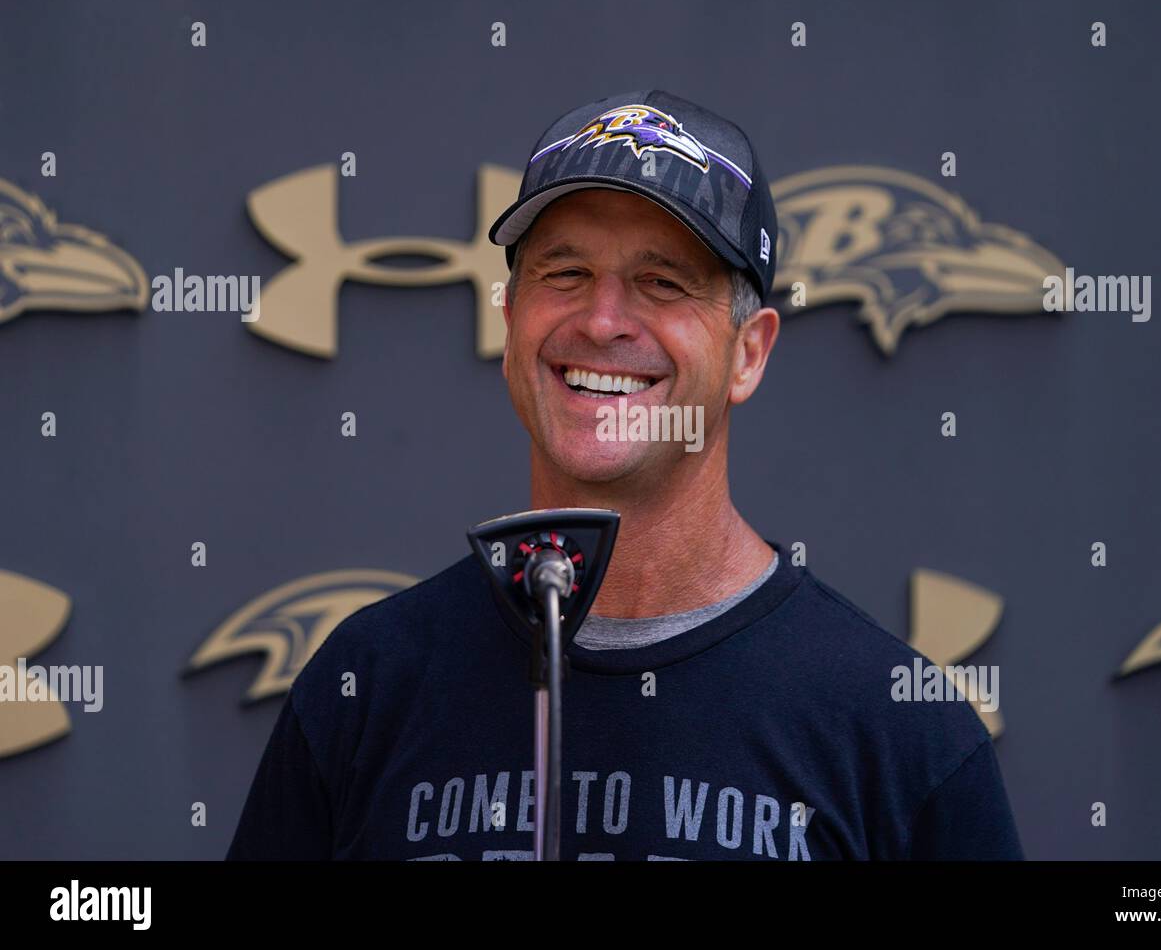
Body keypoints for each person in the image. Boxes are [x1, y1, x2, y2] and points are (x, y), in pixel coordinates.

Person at [227, 89, 1023, 861]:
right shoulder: (367, 683)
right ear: (509, 322)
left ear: (749, 352)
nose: (603, 321)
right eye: (564, 274)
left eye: (663, 282)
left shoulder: (894, 726)